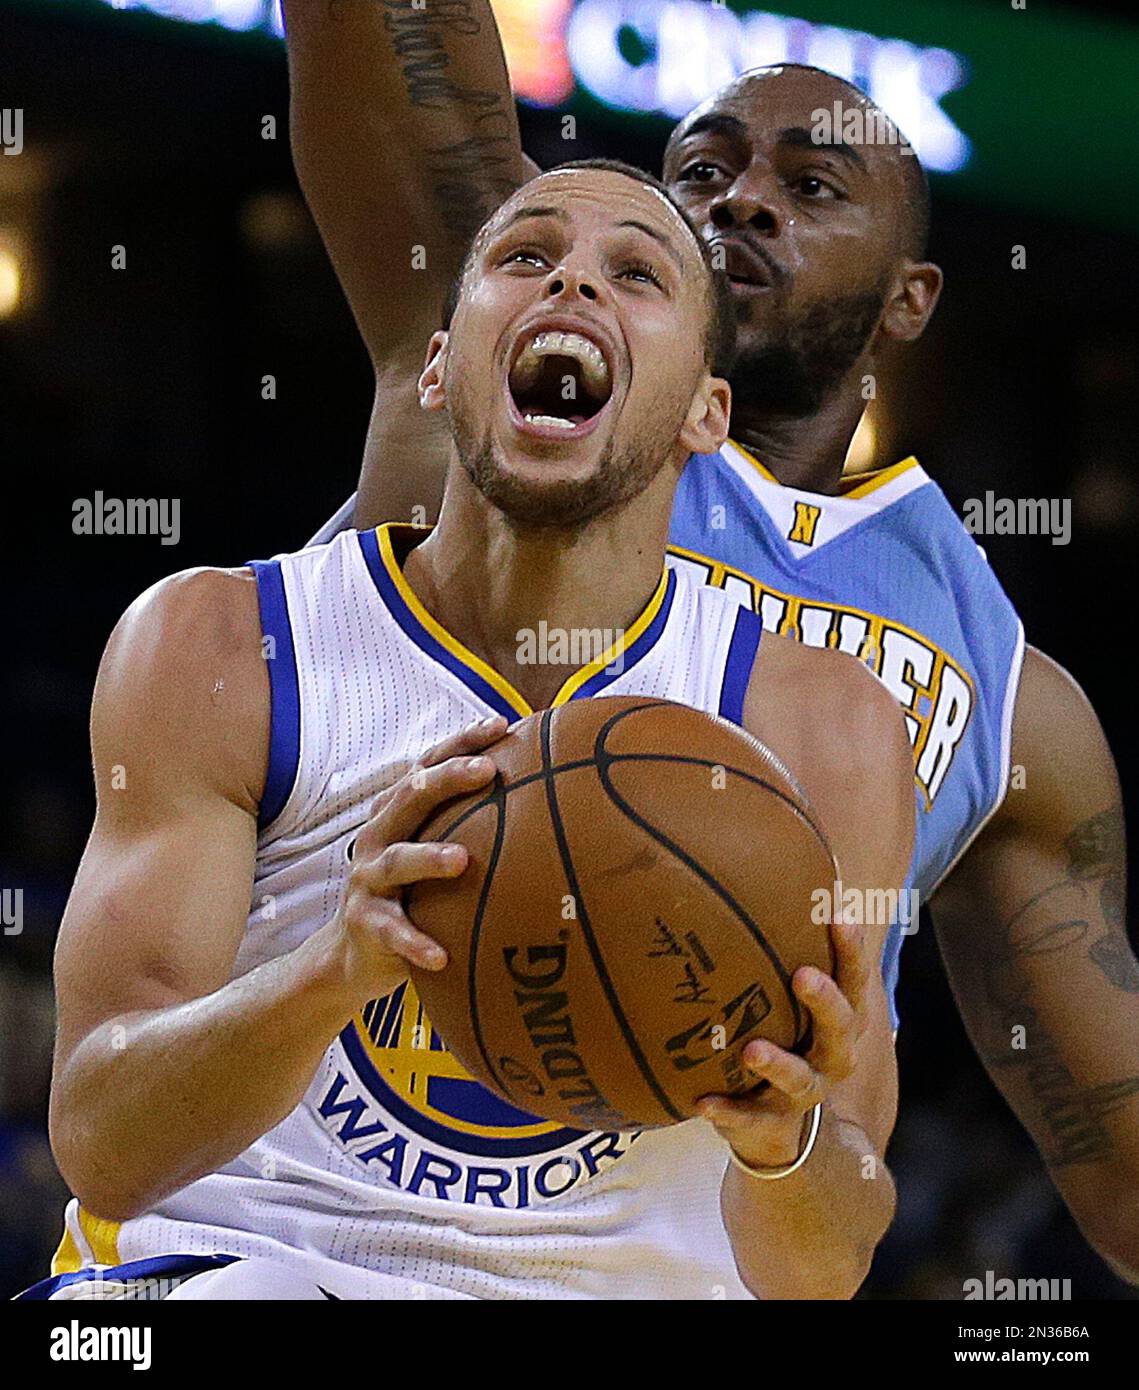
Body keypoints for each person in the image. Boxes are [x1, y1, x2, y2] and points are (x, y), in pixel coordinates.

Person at [281, 3, 1139, 1280]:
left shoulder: (1009, 692)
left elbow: (1119, 1173)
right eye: (698, 172)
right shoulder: (518, 362)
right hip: (331, 1213)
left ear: (910, 301)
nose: (736, 201)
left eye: (807, 185)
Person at [34, 164, 914, 1301]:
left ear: (707, 411)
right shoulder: (224, 645)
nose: (574, 286)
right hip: (239, 1274)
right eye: (524, 258)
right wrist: (331, 970)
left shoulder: (814, 722)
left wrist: (779, 1142)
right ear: (443, 366)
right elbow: (101, 1139)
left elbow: (825, 1265)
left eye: (634, 272)